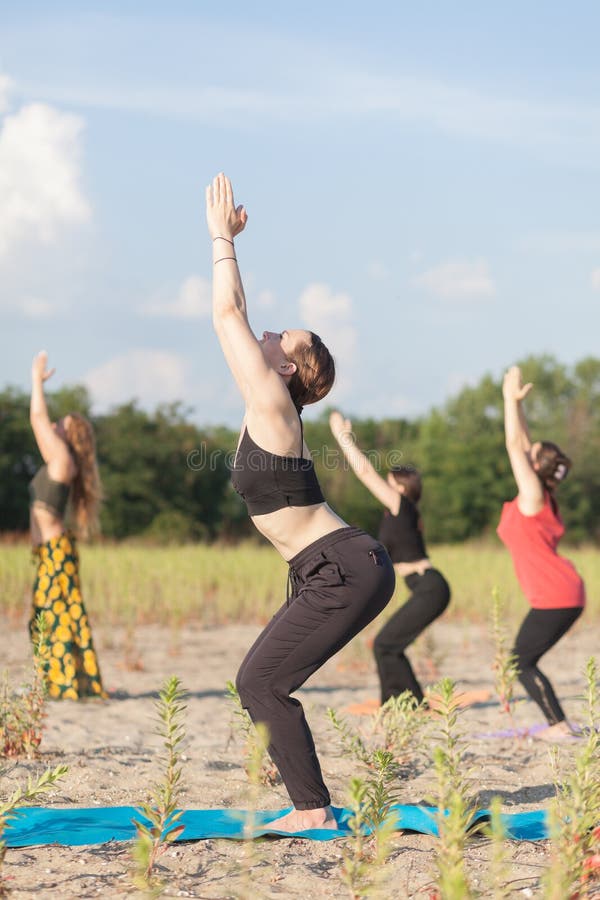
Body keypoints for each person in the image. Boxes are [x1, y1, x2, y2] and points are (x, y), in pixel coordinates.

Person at [206, 173, 395, 832]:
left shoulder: (275, 407)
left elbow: (227, 315)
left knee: (259, 683)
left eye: (287, 335)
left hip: (342, 569)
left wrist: (221, 241)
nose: (274, 329)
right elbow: (239, 323)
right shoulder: (265, 406)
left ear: (288, 369)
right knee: (262, 682)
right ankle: (305, 797)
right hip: (334, 569)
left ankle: (312, 811)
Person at [329, 412, 450, 706]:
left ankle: (400, 703)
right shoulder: (403, 511)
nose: (383, 485)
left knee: (385, 644)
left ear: (401, 487)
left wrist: (343, 439)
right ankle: (409, 702)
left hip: (429, 587)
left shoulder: (401, 504)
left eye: (390, 481)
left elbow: (365, 474)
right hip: (427, 587)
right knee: (389, 645)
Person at [497, 366, 584, 740]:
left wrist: (506, 401)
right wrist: (518, 406)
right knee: (524, 659)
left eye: (531, 455)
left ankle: (559, 726)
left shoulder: (532, 497)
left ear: (535, 467)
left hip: (556, 593)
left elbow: (515, 445)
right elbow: (523, 441)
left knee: (522, 661)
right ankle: (558, 723)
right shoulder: (539, 496)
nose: (527, 447)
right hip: (562, 591)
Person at [29, 351, 107, 701]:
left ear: (69, 436)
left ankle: (65, 685)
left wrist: (35, 380)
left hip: (55, 551)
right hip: (51, 551)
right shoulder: (62, 460)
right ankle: (64, 682)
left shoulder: (61, 460)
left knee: (54, 618)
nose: (53, 428)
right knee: (52, 617)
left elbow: (36, 418)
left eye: (60, 426)